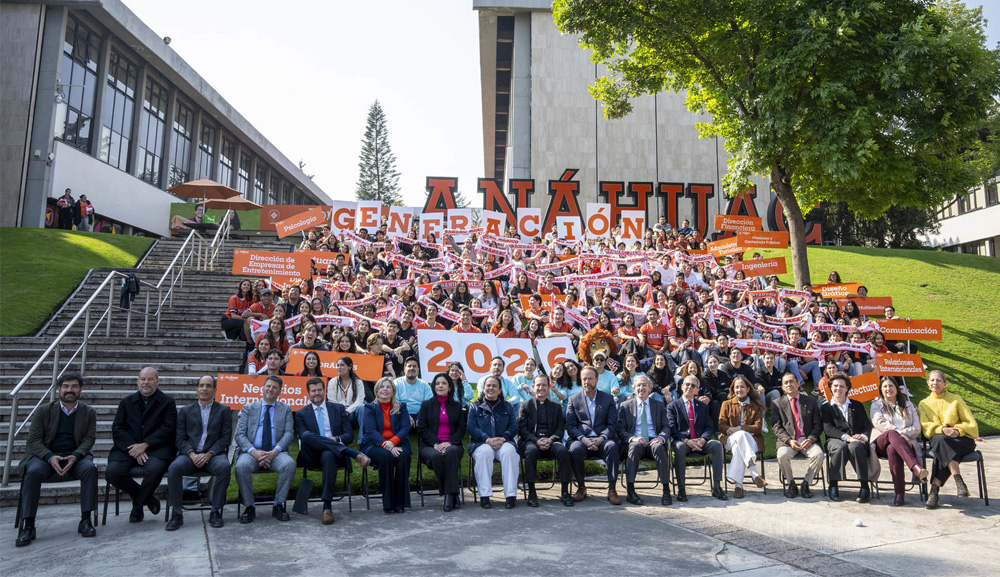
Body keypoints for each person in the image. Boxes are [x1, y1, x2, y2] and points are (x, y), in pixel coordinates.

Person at [15, 374, 97, 547]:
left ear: (80, 390)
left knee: (89, 468)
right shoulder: (43, 410)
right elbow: (34, 440)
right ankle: (28, 525)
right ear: (58, 389)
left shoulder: (88, 412)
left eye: (74, 386)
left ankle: (86, 520)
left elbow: (89, 439)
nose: (70, 390)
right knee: (33, 471)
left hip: (74, 456)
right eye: (66, 386)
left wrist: (76, 456)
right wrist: (50, 457)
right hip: (45, 456)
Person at [295, 377, 371, 524]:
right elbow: (304, 437)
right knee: (306, 435)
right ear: (308, 393)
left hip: (333, 455)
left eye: (319, 390)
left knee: (328, 454)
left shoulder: (337, 409)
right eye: (313, 391)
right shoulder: (301, 414)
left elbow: (349, 435)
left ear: (324, 391)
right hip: (311, 455)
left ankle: (327, 507)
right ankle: (353, 454)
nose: (316, 393)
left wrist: (335, 440)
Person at [106, 367, 177, 523]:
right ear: (138, 381)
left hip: (157, 448)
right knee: (112, 472)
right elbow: (117, 428)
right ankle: (147, 498)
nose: (146, 382)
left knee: (155, 469)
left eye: (150, 379)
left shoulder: (168, 402)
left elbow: (168, 429)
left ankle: (137, 506)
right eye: (143, 379)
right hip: (127, 449)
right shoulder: (126, 402)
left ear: (157, 382)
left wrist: (145, 445)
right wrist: (134, 447)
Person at [164, 376, 231, 531]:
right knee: (174, 468)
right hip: (189, 456)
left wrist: (209, 454)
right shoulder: (185, 411)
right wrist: (192, 454)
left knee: (224, 467)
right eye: (201, 385)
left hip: (214, 456)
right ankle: (177, 512)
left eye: (208, 386)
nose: (204, 389)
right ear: (196, 389)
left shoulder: (223, 410)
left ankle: (215, 511)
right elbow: (180, 438)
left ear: (215, 390)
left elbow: (225, 438)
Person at [233, 375, 296, 523]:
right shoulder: (248, 408)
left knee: (289, 465)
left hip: (276, 452)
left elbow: (289, 434)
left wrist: (274, 452)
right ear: (262, 388)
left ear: (279, 391)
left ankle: (278, 505)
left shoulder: (285, 409)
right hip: (252, 452)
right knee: (241, 466)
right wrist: (254, 453)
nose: (270, 389)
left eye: (274, 387)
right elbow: (239, 434)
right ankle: (249, 506)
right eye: (268, 386)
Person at [918, 370, 979, 509]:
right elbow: (926, 427)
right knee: (940, 440)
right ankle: (958, 480)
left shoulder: (956, 399)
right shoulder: (924, 404)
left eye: (939, 380)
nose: (935, 383)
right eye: (932, 380)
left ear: (945, 383)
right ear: (928, 384)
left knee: (941, 449)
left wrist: (958, 431)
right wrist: (943, 430)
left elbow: (972, 425)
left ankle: (934, 491)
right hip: (939, 439)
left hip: (961, 441)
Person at [565, 365, 621, 505]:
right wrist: (583, 439)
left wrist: (601, 438)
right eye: (584, 379)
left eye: (590, 378)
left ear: (596, 380)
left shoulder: (608, 399)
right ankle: (581, 487)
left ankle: (612, 489)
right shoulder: (573, 399)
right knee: (575, 449)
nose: (587, 382)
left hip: (602, 438)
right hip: (582, 439)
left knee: (612, 446)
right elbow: (571, 426)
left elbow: (612, 425)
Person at [667, 375, 727, 502]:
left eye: (693, 386)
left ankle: (717, 486)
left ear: (697, 390)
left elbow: (708, 428)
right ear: (682, 386)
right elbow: (672, 428)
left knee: (716, 445)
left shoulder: (703, 406)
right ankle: (681, 489)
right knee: (679, 448)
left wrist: (703, 439)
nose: (689, 387)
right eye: (687, 384)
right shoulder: (673, 406)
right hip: (682, 441)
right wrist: (686, 440)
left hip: (700, 441)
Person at [869, 376, 928, 506]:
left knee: (893, 449)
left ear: (896, 388)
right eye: (884, 386)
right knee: (891, 434)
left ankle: (899, 494)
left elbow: (917, 428)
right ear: (881, 389)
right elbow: (879, 423)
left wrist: (901, 436)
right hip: (882, 442)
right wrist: (900, 434)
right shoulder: (877, 404)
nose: (888, 389)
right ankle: (916, 467)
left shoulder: (908, 405)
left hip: (905, 445)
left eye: (891, 386)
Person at [518, 374, 574, 507]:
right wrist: (536, 440)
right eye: (538, 385)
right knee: (530, 451)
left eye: (544, 385)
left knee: (562, 451)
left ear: (549, 387)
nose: (541, 388)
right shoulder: (525, 406)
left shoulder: (555, 407)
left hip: (550, 441)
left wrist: (550, 439)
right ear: (533, 386)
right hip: (531, 442)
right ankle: (532, 493)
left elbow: (560, 429)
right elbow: (522, 429)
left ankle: (565, 492)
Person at [617, 375, 673, 506]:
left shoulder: (658, 405)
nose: (641, 388)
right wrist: (633, 438)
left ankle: (666, 490)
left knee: (659, 448)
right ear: (633, 388)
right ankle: (630, 491)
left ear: (650, 388)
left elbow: (666, 426)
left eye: (644, 385)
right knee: (634, 447)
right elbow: (620, 430)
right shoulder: (625, 406)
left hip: (654, 441)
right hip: (636, 441)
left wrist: (661, 438)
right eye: (638, 385)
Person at [415, 373, 467, 512]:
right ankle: (452, 493)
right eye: (437, 383)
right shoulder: (426, 405)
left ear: (450, 387)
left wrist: (449, 442)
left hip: (452, 445)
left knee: (451, 453)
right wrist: (436, 444)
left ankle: (449, 495)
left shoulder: (457, 406)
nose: (440, 386)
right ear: (433, 387)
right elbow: (421, 428)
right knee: (437, 456)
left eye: (444, 383)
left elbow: (461, 429)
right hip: (429, 446)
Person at [467, 374, 520, 509]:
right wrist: (487, 439)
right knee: (484, 453)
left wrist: (503, 438)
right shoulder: (474, 406)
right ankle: (484, 496)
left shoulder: (507, 406)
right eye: (488, 386)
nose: (491, 388)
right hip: (481, 443)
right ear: (483, 389)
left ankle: (510, 496)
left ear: (500, 390)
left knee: (510, 452)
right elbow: (471, 427)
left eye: (494, 386)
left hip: (503, 442)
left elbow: (514, 427)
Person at [360, 378, 412, 513]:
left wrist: (393, 442)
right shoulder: (369, 408)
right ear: (376, 391)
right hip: (374, 445)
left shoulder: (401, 407)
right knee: (386, 456)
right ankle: (388, 503)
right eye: (381, 387)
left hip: (397, 443)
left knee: (404, 455)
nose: (385, 389)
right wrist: (386, 445)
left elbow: (405, 428)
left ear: (393, 391)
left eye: (388, 387)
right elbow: (371, 431)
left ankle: (401, 502)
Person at [821, 372, 873, 503]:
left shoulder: (857, 405)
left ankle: (864, 486)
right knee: (840, 447)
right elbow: (828, 428)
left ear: (847, 388)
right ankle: (833, 484)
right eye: (835, 386)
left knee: (856, 447)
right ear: (831, 388)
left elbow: (867, 426)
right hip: (835, 439)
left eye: (841, 386)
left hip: (857, 441)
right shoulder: (826, 407)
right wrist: (846, 437)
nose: (838, 389)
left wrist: (863, 436)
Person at [771, 372, 824, 499]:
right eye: (786, 383)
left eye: (792, 381)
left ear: (798, 384)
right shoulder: (777, 403)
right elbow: (776, 426)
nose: (789, 385)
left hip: (807, 440)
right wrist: (789, 441)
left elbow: (818, 425)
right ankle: (791, 484)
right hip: (788, 441)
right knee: (782, 455)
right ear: (783, 387)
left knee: (819, 455)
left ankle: (806, 483)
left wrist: (811, 439)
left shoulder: (810, 401)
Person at [717, 376, 767, 498]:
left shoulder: (756, 406)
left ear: (748, 389)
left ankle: (738, 486)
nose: (739, 389)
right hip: (730, 439)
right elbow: (721, 424)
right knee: (741, 436)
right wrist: (731, 430)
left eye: (742, 387)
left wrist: (739, 429)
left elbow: (758, 428)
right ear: (733, 390)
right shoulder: (726, 404)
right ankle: (754, 473)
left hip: (752, 442)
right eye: (737, 387)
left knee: (740, 440)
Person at [393, 357, 432, 425]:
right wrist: (405, 415)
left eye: (414, 366)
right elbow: (394, 402)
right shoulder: (396, 383)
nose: (412, 368)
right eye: (409, 366)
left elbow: (430, 403)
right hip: (401, 413)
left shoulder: (424, 385)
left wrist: (422, 416)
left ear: (418, 370)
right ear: (404, 369)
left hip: (419, 414)